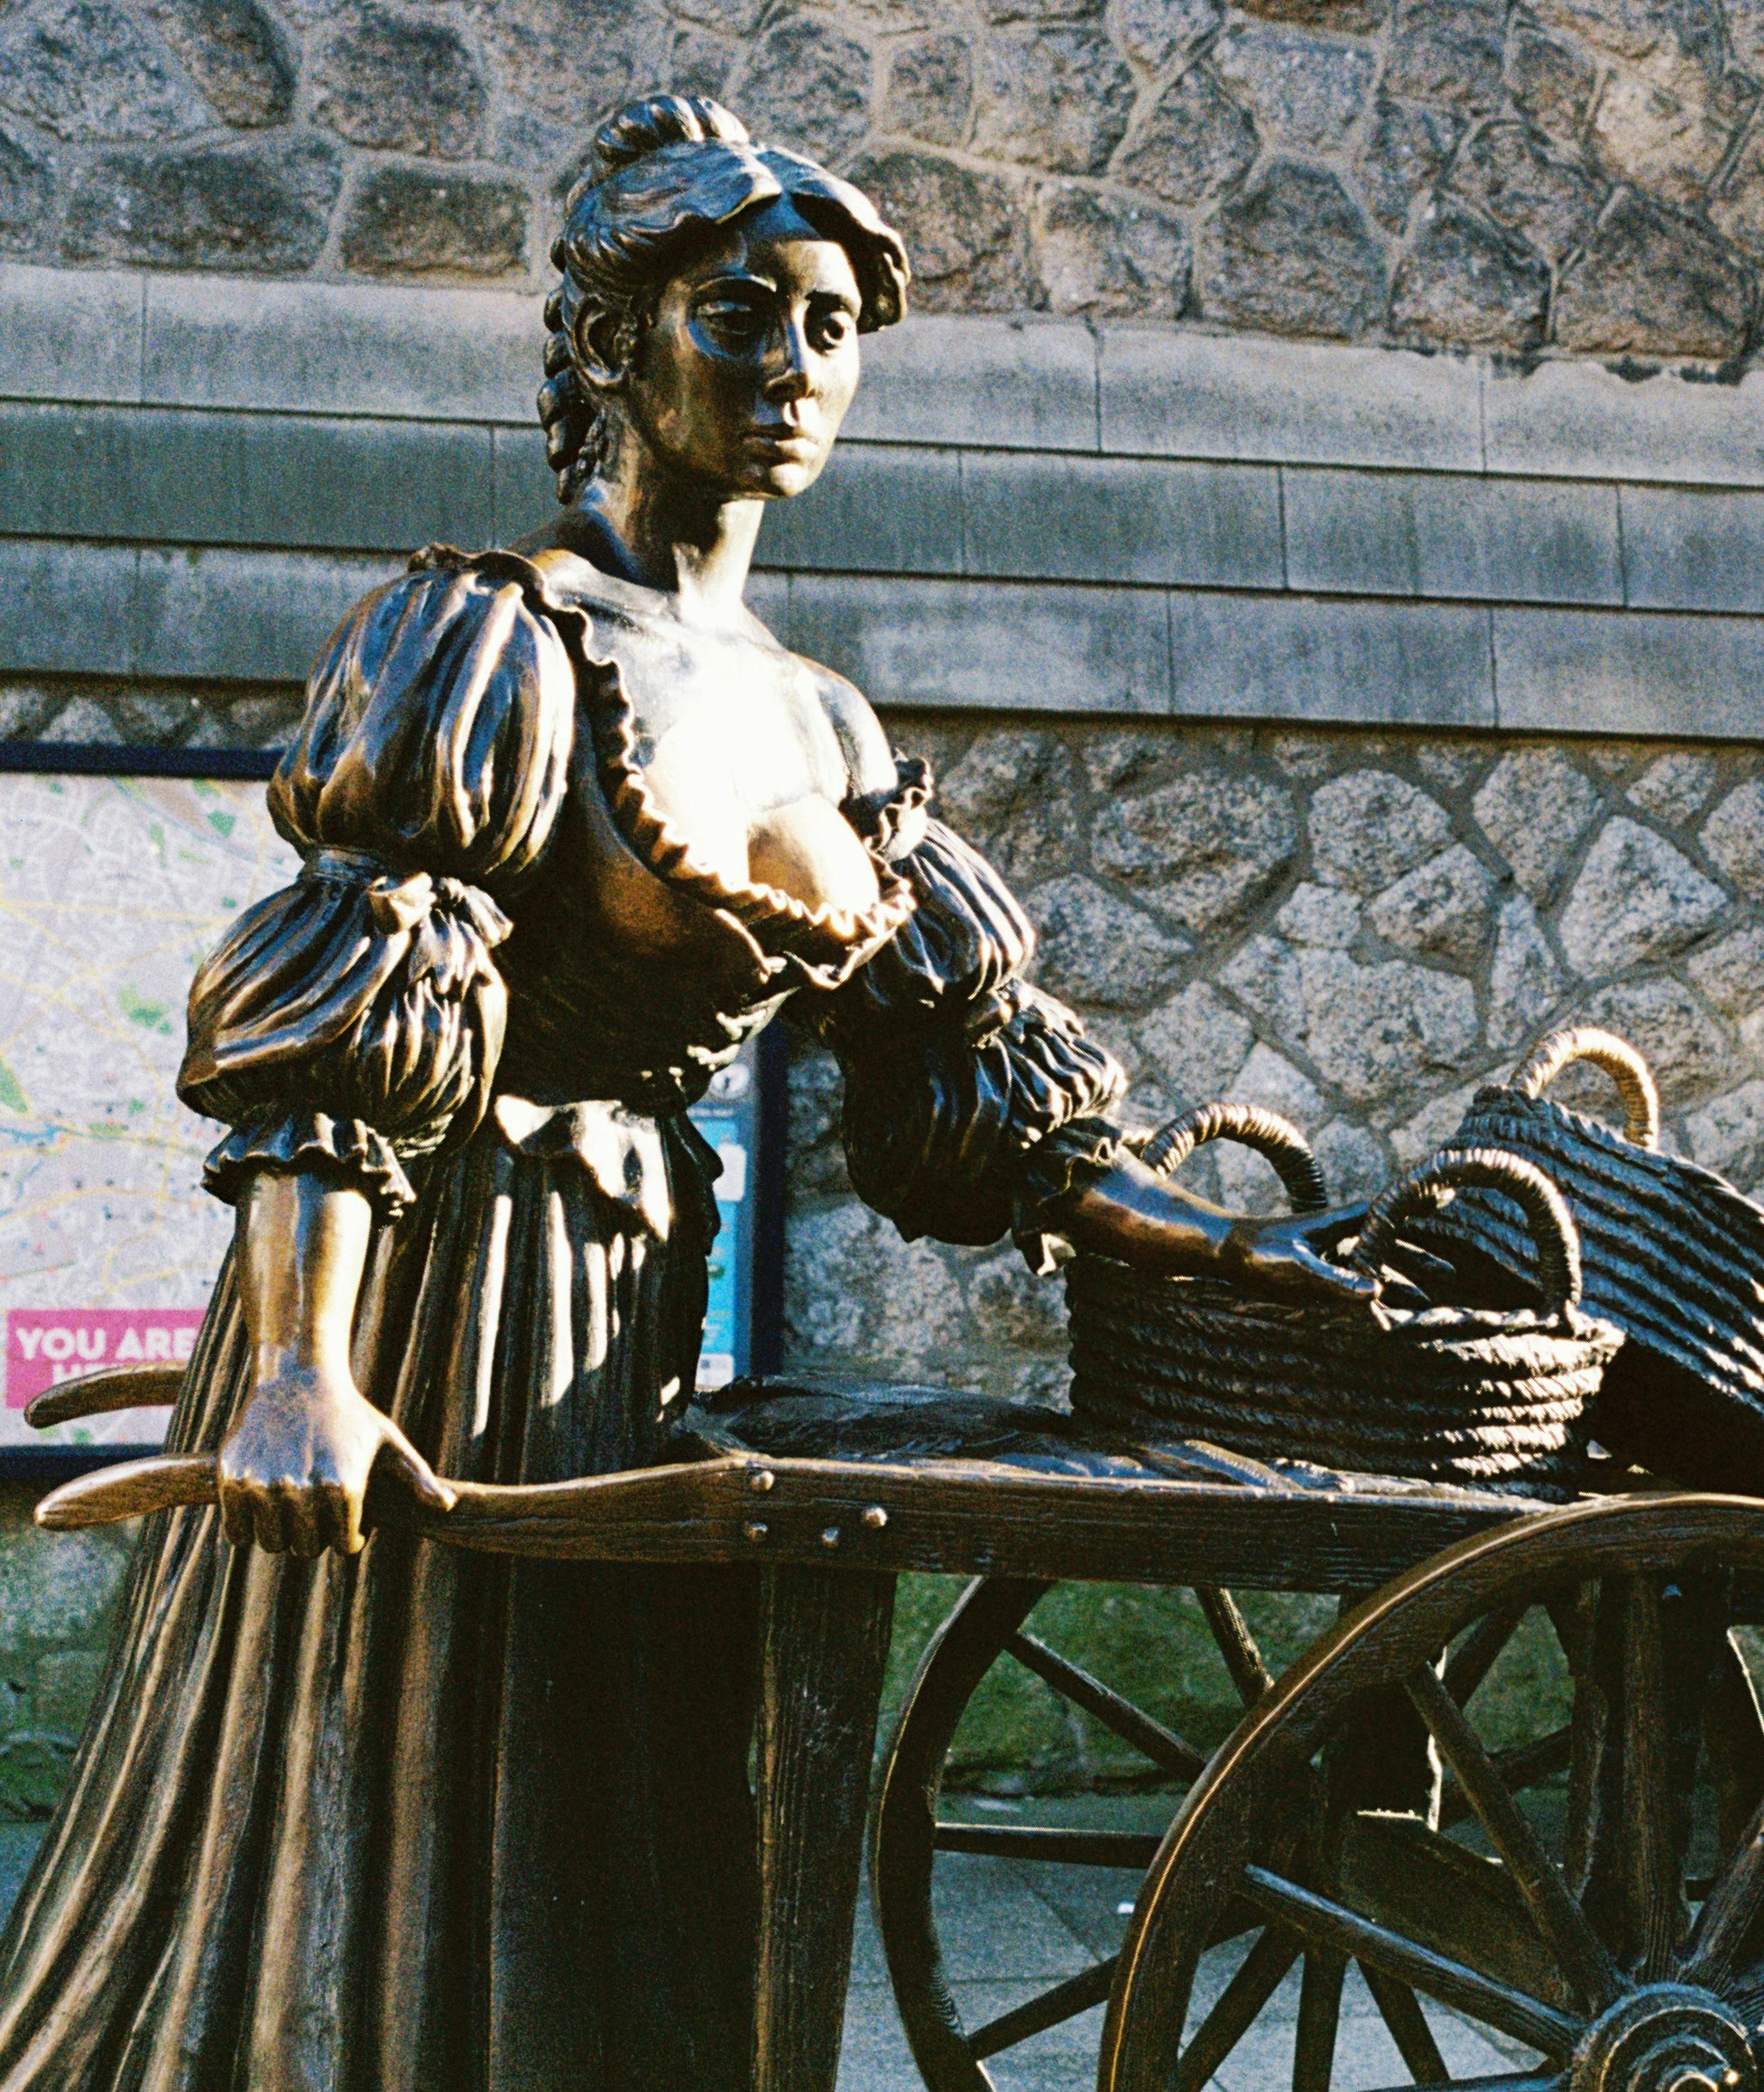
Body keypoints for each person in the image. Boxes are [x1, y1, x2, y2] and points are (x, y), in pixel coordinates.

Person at [0, 93, 1362, 2088]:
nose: (793, 368)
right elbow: (354, 1029)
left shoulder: (822, 717)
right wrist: (301, 1363)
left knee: (605, 1762)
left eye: (829, 327)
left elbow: (963, 1076)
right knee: (397, 1754)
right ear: (615, 345)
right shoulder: (489, 638)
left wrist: (1209, 1236)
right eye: (741, 316)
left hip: (629, 1306)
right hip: (430, 1299)